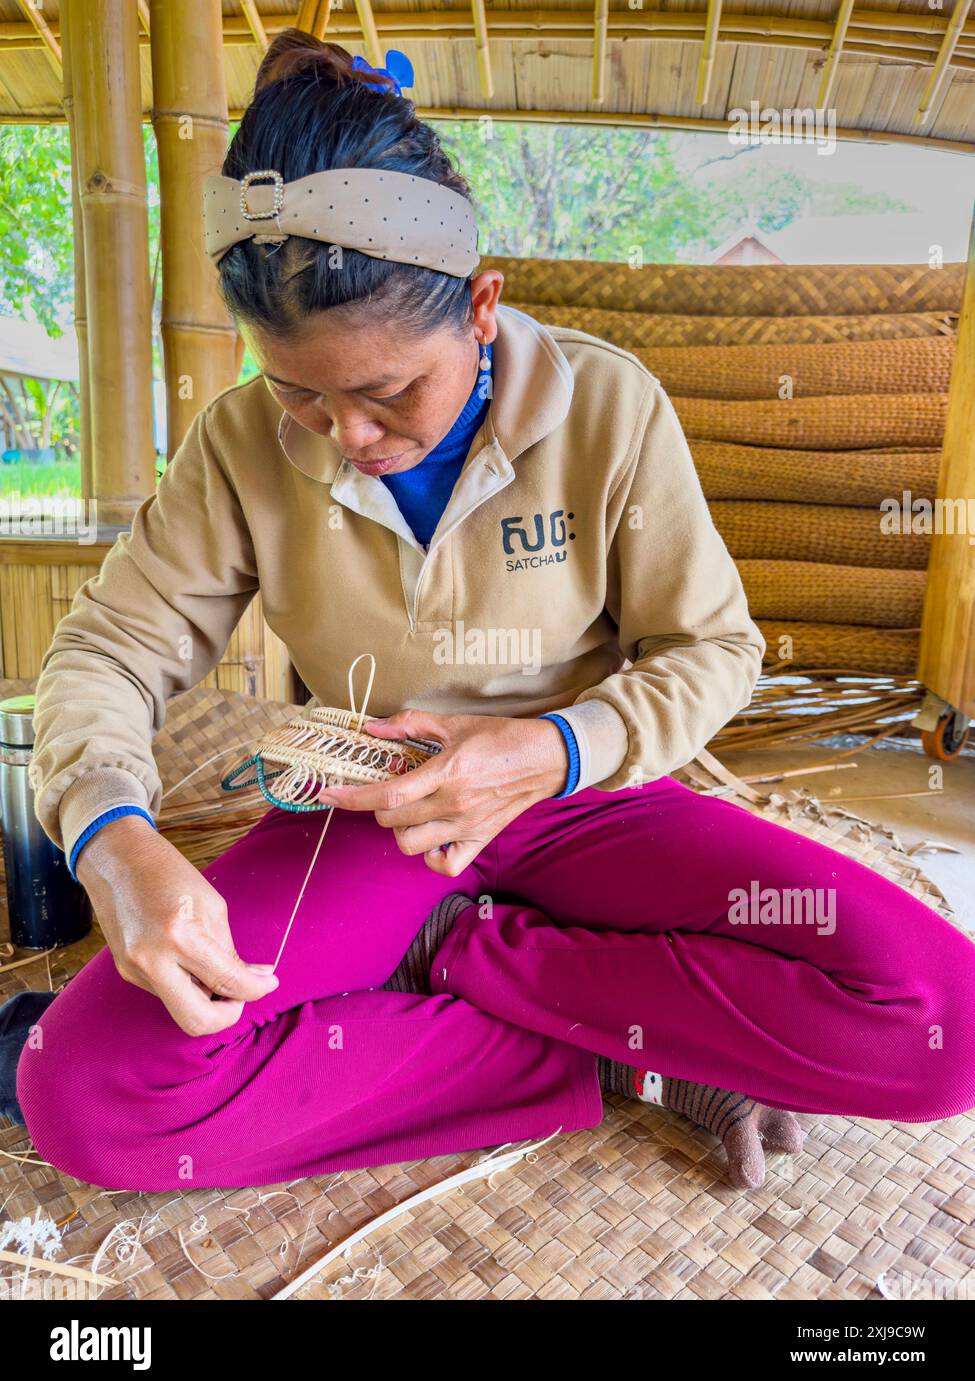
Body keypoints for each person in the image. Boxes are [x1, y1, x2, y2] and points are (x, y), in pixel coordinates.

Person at [9, 32, 975, 1197]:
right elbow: (110, 650)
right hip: (371, 819)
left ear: (480, 306)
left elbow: (712, 649)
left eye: (384, 394)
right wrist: (109, 835)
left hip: (583, 804)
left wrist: (554, 746)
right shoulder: (237, 446)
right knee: (89, 1092)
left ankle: (459, 959)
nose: (348, 439)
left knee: (940, 1023)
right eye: (300, 394)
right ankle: (629, 1051)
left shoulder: (608, 405)